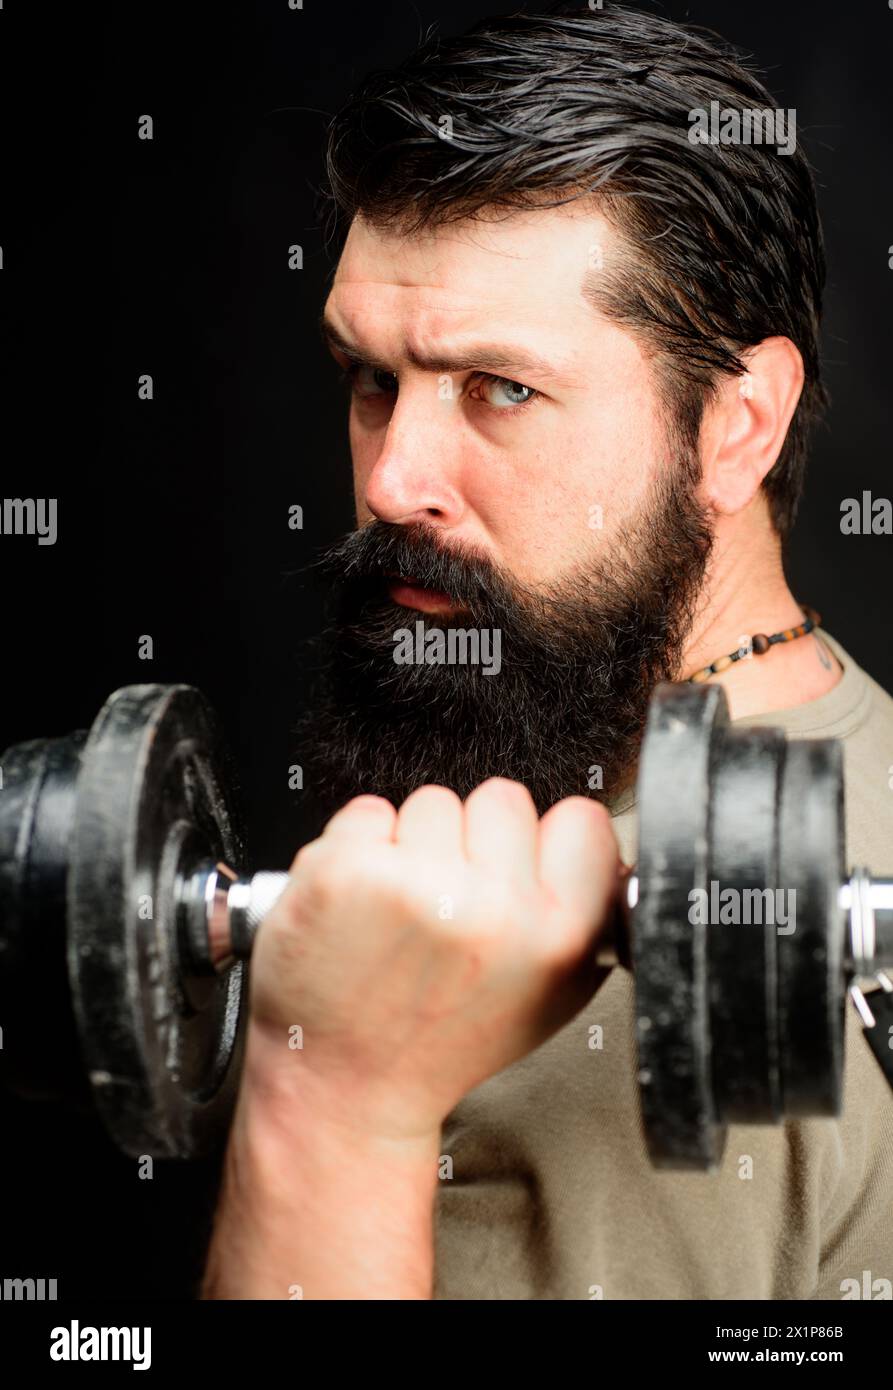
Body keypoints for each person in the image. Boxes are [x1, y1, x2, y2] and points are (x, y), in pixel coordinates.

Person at [202, 6, 893, 1299]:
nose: (393, 479)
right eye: (369, 381)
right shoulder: (849, 755)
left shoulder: (660, 996)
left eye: (499, 390)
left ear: (734, 425)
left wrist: (334, 1103)